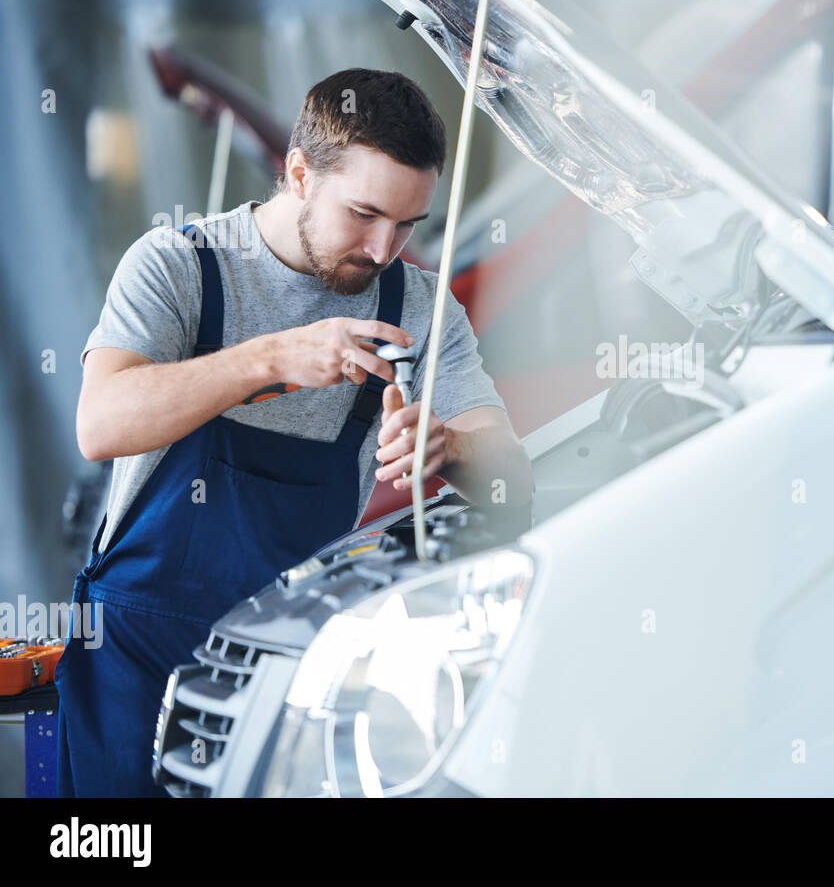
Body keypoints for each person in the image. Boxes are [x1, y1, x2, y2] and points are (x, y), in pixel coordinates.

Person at [55, 67, 533, 796]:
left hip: (292, 661)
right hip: (138, 653)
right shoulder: (179, 267)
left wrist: (452, 446)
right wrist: (270, 358)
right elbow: (100, 423)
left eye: (408, 224)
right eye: (365, 214)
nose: (383, 249)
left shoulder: (421, 307)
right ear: (299, 174)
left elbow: (513, 487)